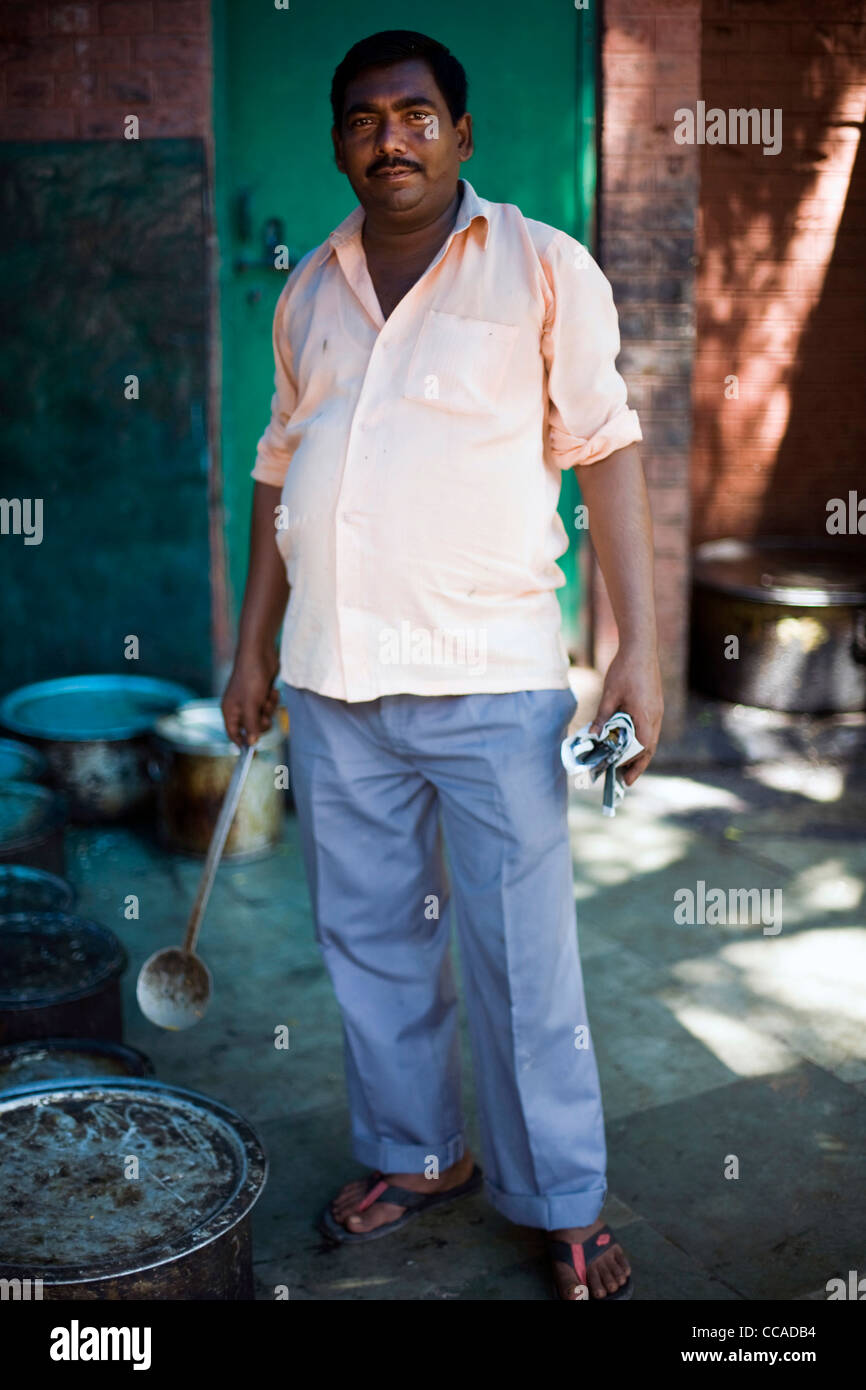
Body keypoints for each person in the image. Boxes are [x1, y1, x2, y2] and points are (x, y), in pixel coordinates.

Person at [221, 29, 663, 1301]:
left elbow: (606, 446)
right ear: (338, 145)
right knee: (367, 942)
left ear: (460, 137)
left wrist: (635, 646)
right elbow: (273, 473)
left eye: (416, 114)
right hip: (330, 678)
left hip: (490, 675)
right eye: (362, 119)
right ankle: (417, 1155)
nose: (389, 136)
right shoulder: (308, 289)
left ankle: (561, 1200)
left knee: (523, 957)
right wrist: (252, 645)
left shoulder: (539, 267)